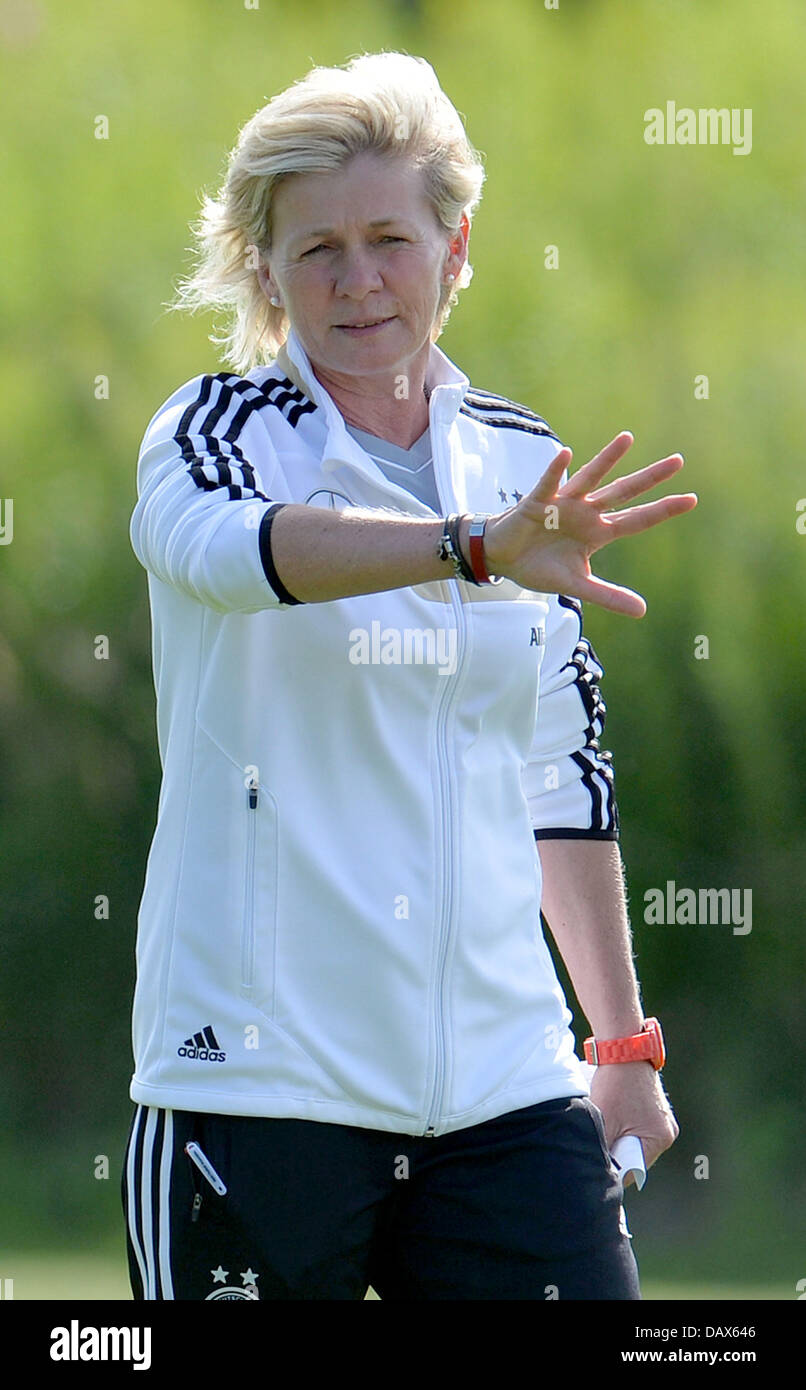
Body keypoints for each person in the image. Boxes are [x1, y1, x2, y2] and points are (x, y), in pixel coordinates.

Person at [121, 50, 695, 1301]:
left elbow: (558, 769)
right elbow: (241, 558)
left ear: (456, 244)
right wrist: (471, 552)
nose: (357, 278)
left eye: (389, 235)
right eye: (315, 247)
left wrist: (619, 1041)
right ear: (264, 268)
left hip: (504, 1090)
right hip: (258, 1088)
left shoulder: (525, 465)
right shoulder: (212, 431)